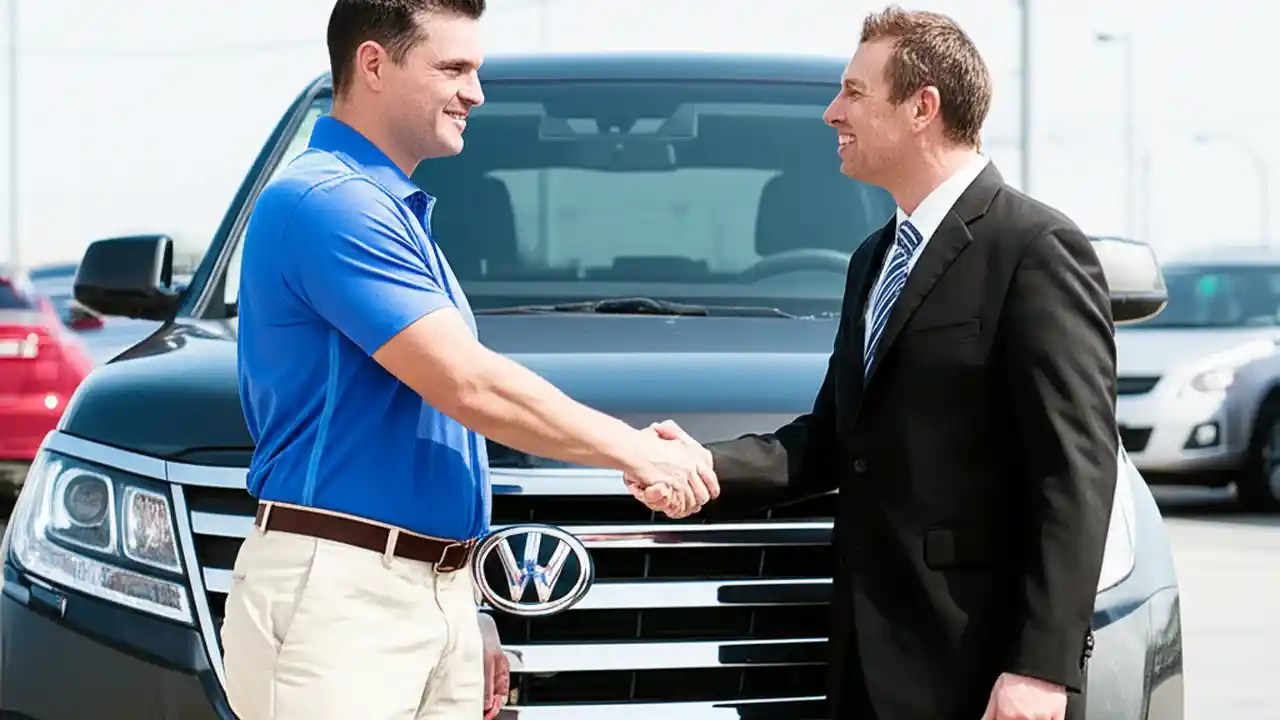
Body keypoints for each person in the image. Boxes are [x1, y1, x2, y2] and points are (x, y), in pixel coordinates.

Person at [221, 2, 716, 719]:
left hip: (417, 593)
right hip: (342, 603)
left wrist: (457, 598)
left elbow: (430, 424)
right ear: (373, 65)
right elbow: (466, 384)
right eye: (453, 68)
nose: (475, 93)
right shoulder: (330, 203)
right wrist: (637, 451)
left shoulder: (391, 211)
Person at [644, 6, 1115, 720]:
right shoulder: (873, 260)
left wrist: (1041, 669)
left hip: (980, 671)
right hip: (867, 664)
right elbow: (835, 441)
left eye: (855, 93)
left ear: (923, 106)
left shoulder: (1034, 248)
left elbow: (1075, 471)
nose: (834, 113)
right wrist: (701, 467)